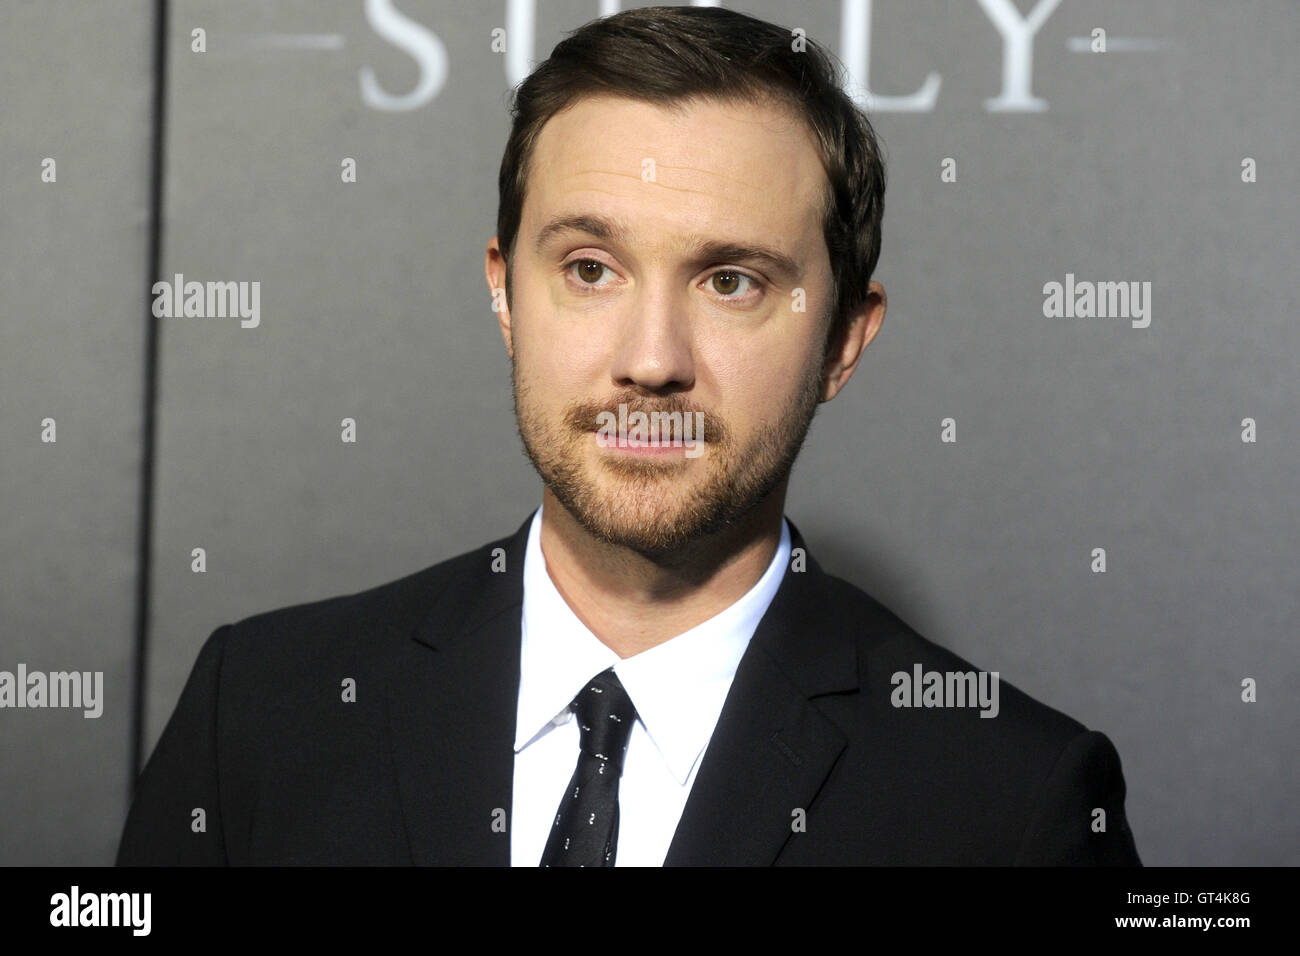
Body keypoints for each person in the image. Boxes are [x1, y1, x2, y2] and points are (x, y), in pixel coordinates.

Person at [117, 5, 1140, 866]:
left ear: (841, 339)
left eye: (732, 280)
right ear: (503, 290)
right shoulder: (259, 712)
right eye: (590, 268)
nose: (651, 359)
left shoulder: (1010, 801)